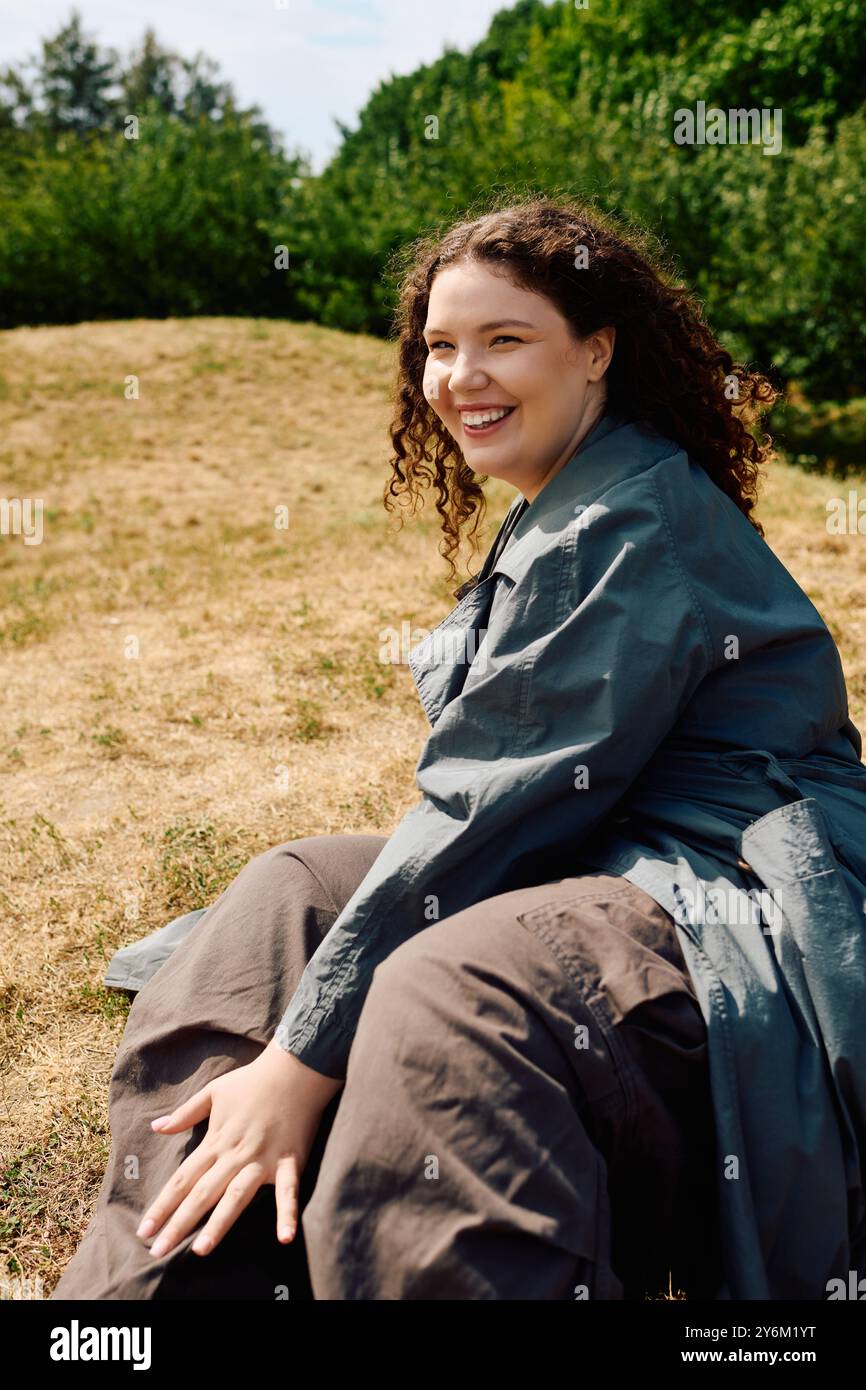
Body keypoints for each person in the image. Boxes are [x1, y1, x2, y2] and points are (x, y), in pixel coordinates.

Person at [50, 196, 866, 1302]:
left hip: (721, 889)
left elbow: (492, 808)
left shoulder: (628, 517)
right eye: (439, 346)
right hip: (602, 855)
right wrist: (294, 1033)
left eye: (503, 339)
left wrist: (300, 1059)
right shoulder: (561, 502)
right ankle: (135, 1307)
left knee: (448, 988)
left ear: (596, 351)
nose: (458, 375)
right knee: (289, 894)